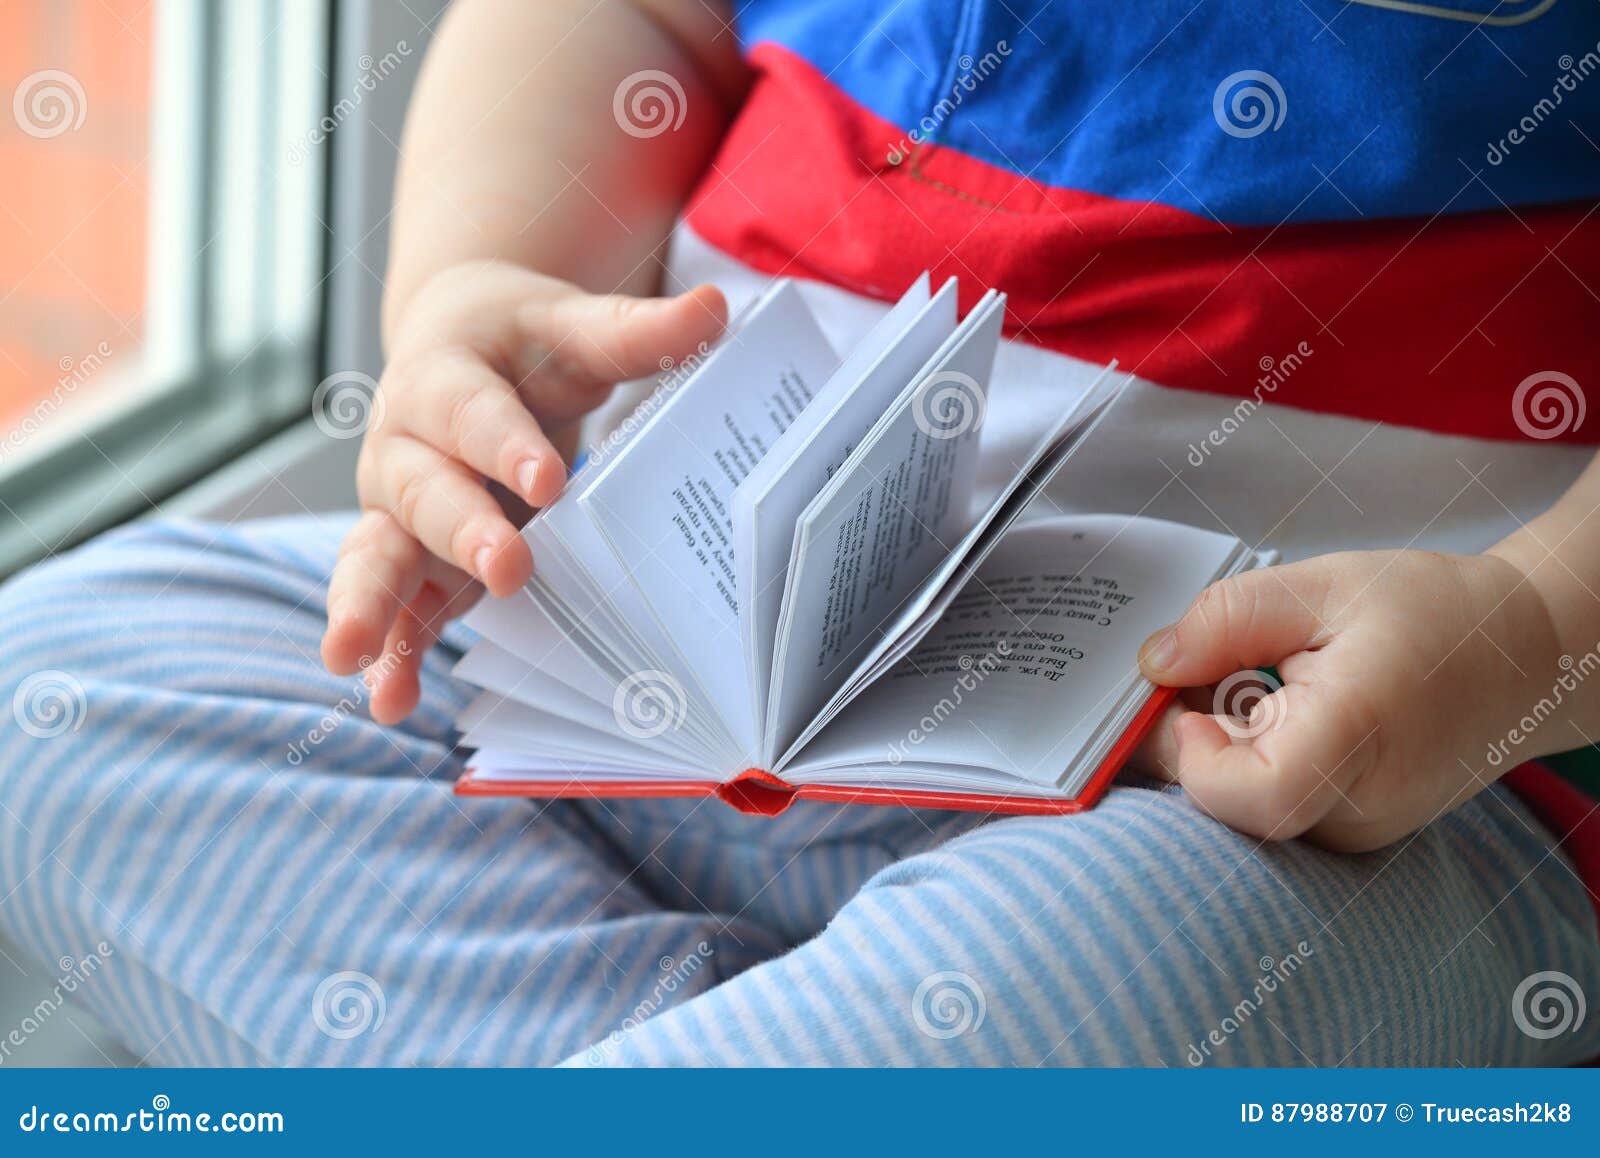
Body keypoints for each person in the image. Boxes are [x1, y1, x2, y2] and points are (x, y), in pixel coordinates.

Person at [3, 0, 1598, 1065]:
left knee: (1114, 987)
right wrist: (474, 291)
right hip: (628, 664)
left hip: (1287, 792)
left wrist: (1522, 632)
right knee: (50, 684)